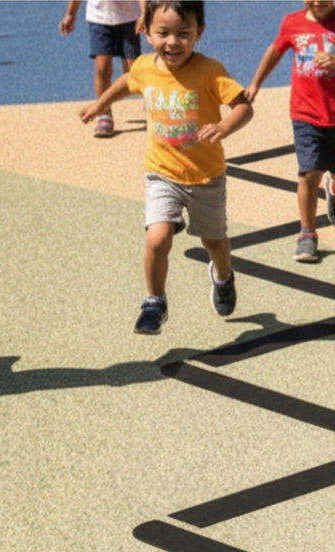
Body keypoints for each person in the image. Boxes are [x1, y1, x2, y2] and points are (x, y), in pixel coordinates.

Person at [79, 0, 253, 335]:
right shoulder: (146, 67)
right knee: (157, 239)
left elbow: (243, 107)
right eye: (163, 33)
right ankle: (154, 301)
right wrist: (100, 103)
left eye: (183, 34)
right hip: (162, 173)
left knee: (213, 242)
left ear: (199, 33)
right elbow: (127, 81)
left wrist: (225, 126)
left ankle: (223, 276)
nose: (172, 41)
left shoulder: (210, 70)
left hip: (205, 177)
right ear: (145, 31)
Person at [244, 0, 335, 262]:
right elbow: (275, 51)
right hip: (305, 114)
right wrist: (255, 83)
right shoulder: (292, 22)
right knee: (308, 174)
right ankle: (307, 233)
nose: (318, 2)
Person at [59, 0, 145, 137]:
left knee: (133, 73)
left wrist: (145, 14)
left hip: (130, 19)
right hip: (100, 20)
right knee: (102, 68)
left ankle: (153, 103)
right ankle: (105, 114)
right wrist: (70, 14)